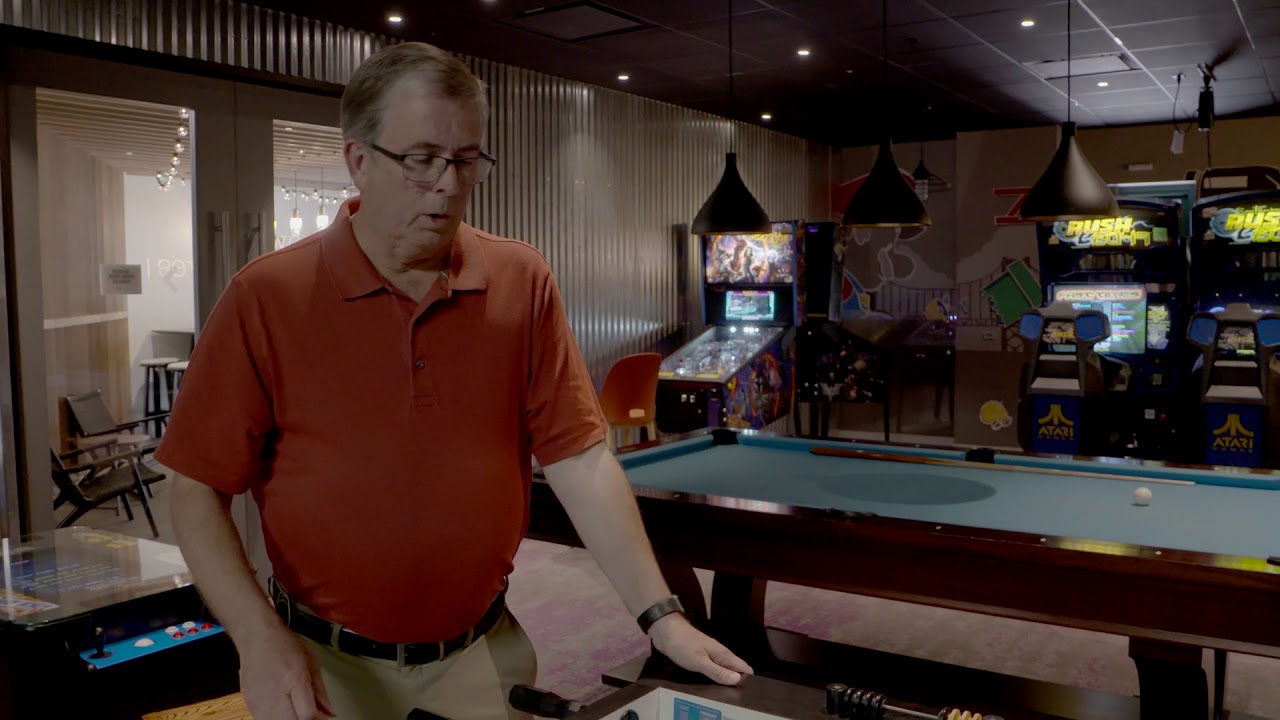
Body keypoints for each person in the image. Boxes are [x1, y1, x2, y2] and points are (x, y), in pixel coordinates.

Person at [156, 40, 752, 720]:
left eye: (466, 160)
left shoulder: (521, 279)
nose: (447, 184)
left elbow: (580, 460)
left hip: (481, 658)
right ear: (358, 160)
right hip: (322, 667)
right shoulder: (265, 295)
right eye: (422, 159)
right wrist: (257, 638)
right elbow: (194, 486)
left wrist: (661, 616)